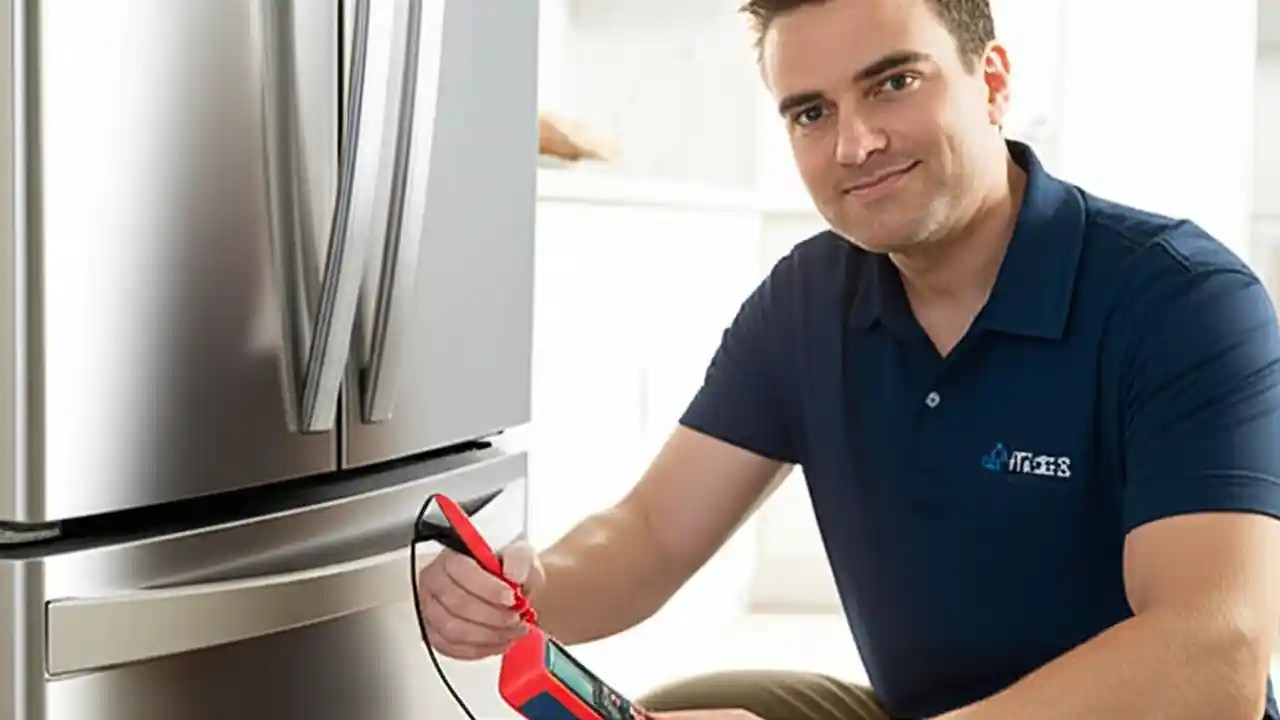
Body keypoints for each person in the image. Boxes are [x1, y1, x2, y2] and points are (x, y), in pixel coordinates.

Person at [415, 0, 1280, 717]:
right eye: (811, 113)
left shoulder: (1182, 300)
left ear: (992, 82)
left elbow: (1214, 659)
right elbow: (648, 535)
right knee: (692, 704)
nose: (854, 145)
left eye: (893, 83)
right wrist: (520, 594)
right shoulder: (809, 300)